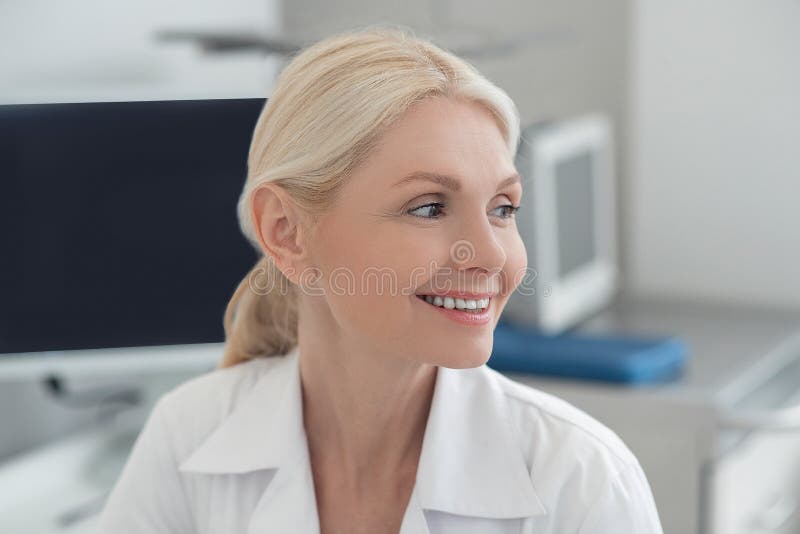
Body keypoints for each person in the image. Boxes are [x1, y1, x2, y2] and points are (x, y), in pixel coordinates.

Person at [96, 25, 664, 534]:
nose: (491, 255)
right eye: (428, 207)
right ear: (288, 232)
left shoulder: (583, 480)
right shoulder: (187, 434)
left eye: (502, 208)